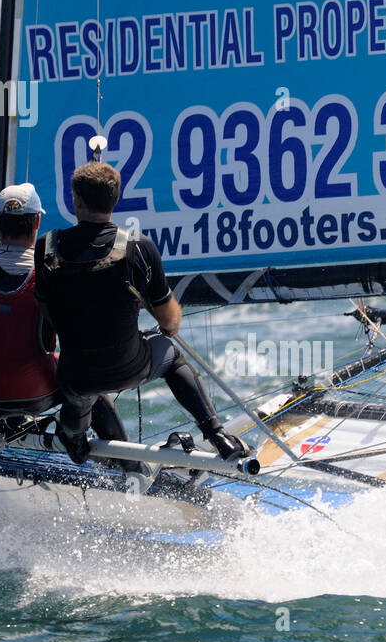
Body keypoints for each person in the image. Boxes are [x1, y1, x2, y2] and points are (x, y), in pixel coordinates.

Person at [34, 161, 250, 465]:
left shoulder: (47, 247)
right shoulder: (138, 245)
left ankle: (79, 441)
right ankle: (217, 435)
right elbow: (170, 323)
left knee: (78, 401)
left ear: (76, 200)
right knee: (171, 356)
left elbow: (47, 326)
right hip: (129, 366)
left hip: (76, 376)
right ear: (115, 200)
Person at [0, 183, 126, 453]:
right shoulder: (55, 271)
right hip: (40, 395)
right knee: (90, 384)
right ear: (38, 221)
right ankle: (128, 465)